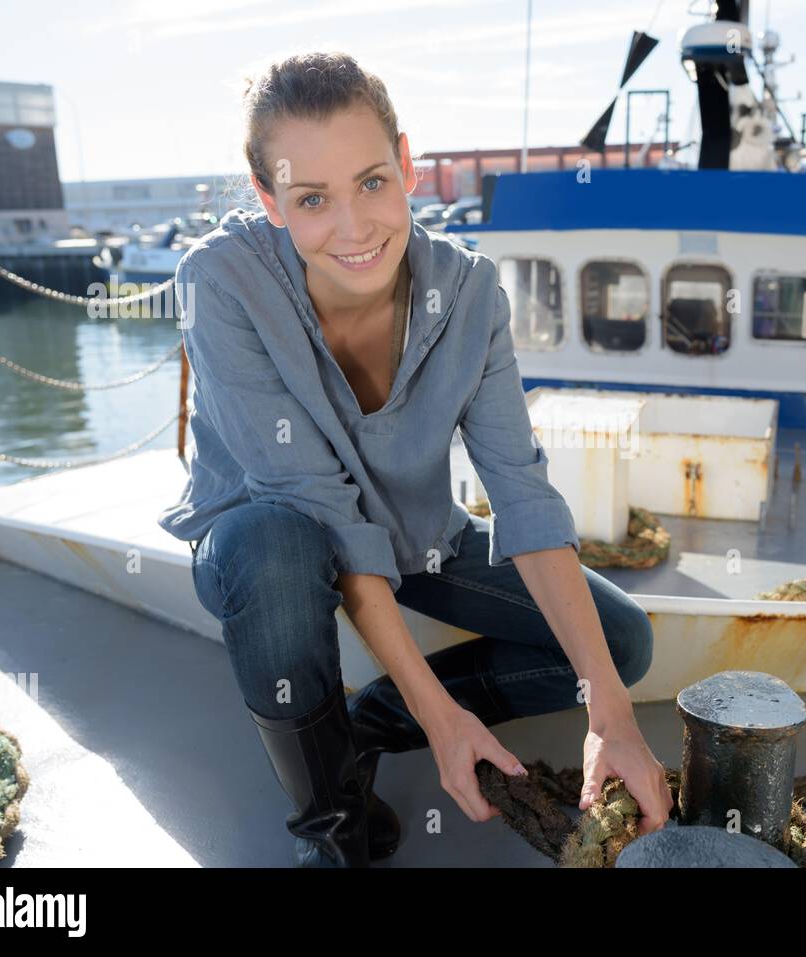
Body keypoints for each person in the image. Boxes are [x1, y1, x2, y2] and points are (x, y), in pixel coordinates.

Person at [156, 50, 672, 867]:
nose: (355, 229)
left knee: (621, 642)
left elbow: (524, 500)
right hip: (273, 539)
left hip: (416, 534)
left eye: (371, 182)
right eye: (312, 200)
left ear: (406, 161)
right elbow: (318, 505)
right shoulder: (220, 282)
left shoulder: (470, 294)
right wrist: (445, 714)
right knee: (280, 549)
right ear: (268, 199)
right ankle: (332, 823)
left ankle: (363, 726)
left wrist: (610, 714)